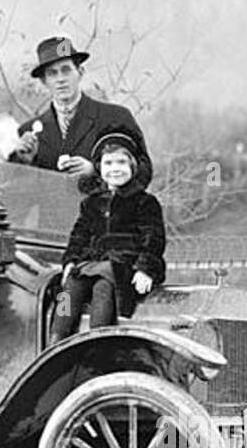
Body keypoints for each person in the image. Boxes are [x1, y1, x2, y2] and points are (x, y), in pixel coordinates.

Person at [50, 131, 166, 340]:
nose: (115, 169)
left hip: (125, 265)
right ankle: (57, 339)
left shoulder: (144, 201)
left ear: (132, 166)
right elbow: (79, 235)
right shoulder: (91, 202)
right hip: (94, 263)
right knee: (69, 288)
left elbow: (153, 239)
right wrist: (70, 260)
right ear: (100, 169)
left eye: (121, 162)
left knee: (103, 289)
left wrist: (145, 269)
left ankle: (98, 341)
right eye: (108, 164)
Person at [11, 34, 153, 187]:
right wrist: (24, 162)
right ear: (44, 81)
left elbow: (144, 172)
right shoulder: (29, 133)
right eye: (52, 73)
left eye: (66, 70)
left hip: (105, 210)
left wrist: (97, 171)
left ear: (80, 72)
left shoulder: (115, 118)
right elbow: (19, 195)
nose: (60, 79)